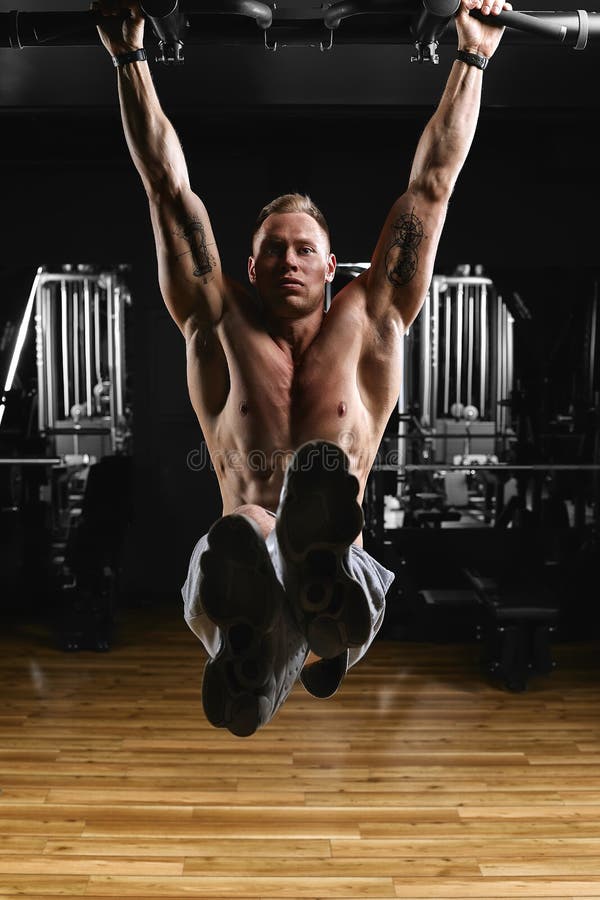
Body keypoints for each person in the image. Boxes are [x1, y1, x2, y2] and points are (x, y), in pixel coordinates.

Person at [94, 0, 510, 736]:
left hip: (341, 576)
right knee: (250, 527)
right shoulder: (218, 319)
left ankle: (297, 613)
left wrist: (472, 57)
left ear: (332, 262)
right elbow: (165, 187)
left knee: (289, 530)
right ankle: (265, 643)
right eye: (274, 250)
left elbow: (431, 187)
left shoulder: (373, 318)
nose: (289, 259)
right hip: (233, 577)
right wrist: (130, 58)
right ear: (248, 265)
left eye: (303, 248)